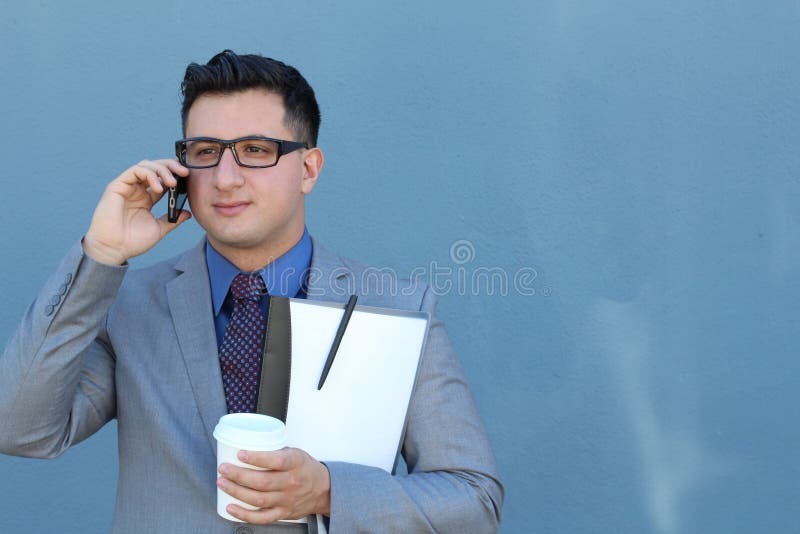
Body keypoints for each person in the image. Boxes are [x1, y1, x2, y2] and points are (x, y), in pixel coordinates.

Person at [0, 50, 503, 533]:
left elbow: (474, 502)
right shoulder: (129, 304)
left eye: (256, 151)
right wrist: (102, 253)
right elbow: (19, 429)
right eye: (205, 153)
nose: (224, 178)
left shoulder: (398, 307)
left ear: (308, 169)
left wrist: (329, 491)